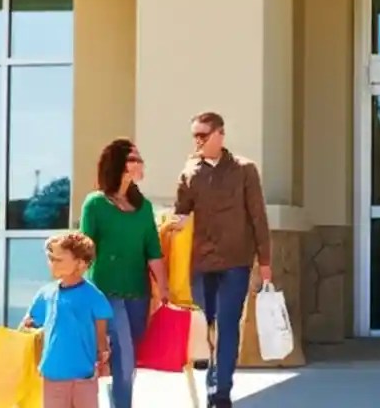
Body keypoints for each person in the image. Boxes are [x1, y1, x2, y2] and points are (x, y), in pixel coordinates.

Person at [173, 111, 272, 408]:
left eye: (203, 135)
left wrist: (264, 262)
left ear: (220, 134)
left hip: (235, 262)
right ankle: (212, 378)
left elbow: (258, 217)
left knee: (228, 325)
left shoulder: (244, 170)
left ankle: (220, 391)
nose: (198, 141)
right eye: (195, 136)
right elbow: (181, 213)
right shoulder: (190, 173)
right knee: (205, 327)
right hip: (200, 265)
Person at [80, 138, 169, 408]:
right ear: (120, 165)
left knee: (127, 360)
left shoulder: (144, 208)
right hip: (106, 292)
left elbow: (153, 252)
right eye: (135, 159)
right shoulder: (95, 204)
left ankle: (117, 400)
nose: (141, 164)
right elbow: (85, 248)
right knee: (125, 355)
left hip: (138, 294)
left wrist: (164, 289)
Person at [22, 232, 113, 408]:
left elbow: (101, 333)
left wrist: (103, 357)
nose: (52, 264)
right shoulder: (45, 294)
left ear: (81, 263)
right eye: (51, 259)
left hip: (84, 375)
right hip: (53, 373)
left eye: (59, 259)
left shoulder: (94, 296)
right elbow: (29, 324)